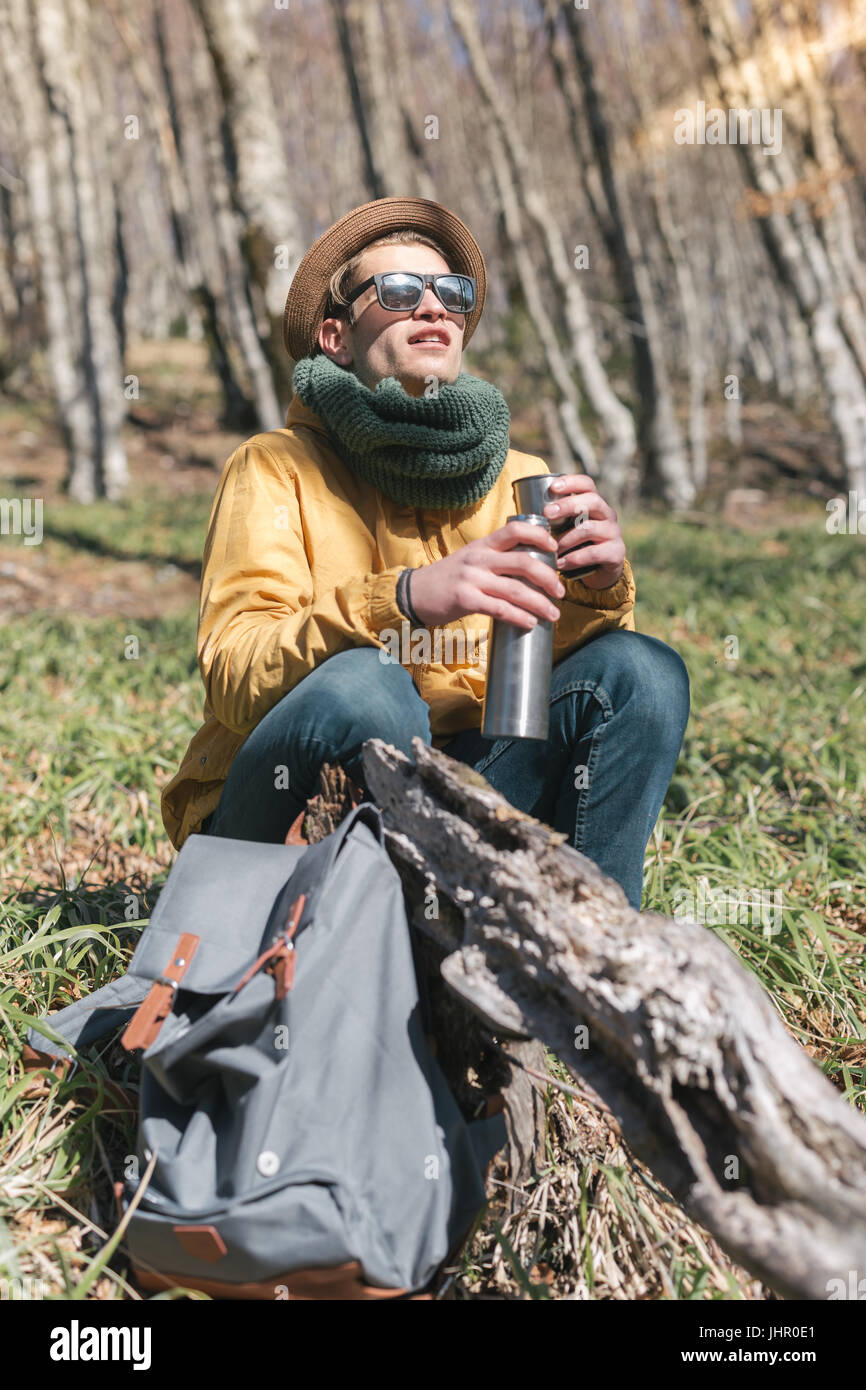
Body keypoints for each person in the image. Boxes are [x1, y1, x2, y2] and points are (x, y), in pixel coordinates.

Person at [160, 196, 689, 911]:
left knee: (641, 674)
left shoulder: (522, 476)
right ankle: (316, 941)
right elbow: (235, 675)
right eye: (401, 292)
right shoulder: (275, 467)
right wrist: (404, 599)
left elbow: (544, 689)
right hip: (288, 816)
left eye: (452, 294)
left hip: (458, 802)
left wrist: (596, 586)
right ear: (335, 337)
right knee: (367, 688)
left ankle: (590, 953)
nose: (434, 309)